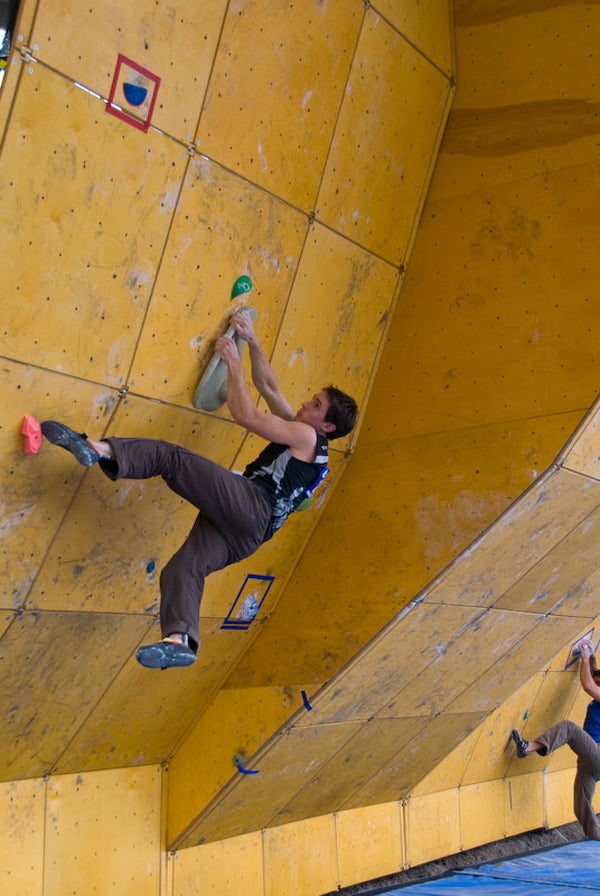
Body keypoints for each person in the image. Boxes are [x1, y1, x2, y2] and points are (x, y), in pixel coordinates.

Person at [41, 310, 358, 670]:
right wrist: (251, 340)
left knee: (170, 458)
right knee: (184, 568)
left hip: (251, 505)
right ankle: (180, 641)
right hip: (249, 536)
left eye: (315, 405)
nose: (305, 404)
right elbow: (269, 387)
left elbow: (247, 416)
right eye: (311, 398)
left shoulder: (305, 435)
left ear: (327, 426)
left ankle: (94, 449)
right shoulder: (311, 442)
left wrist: (233, 361)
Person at [511, 637, 600, 839]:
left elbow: (588, 685)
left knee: (568, 728)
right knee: (582, 805)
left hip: (597, 753)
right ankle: (597, 843)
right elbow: (594, 676)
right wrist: (589, 655)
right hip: (590, 759)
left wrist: (585, 658)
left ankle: (528, 748)